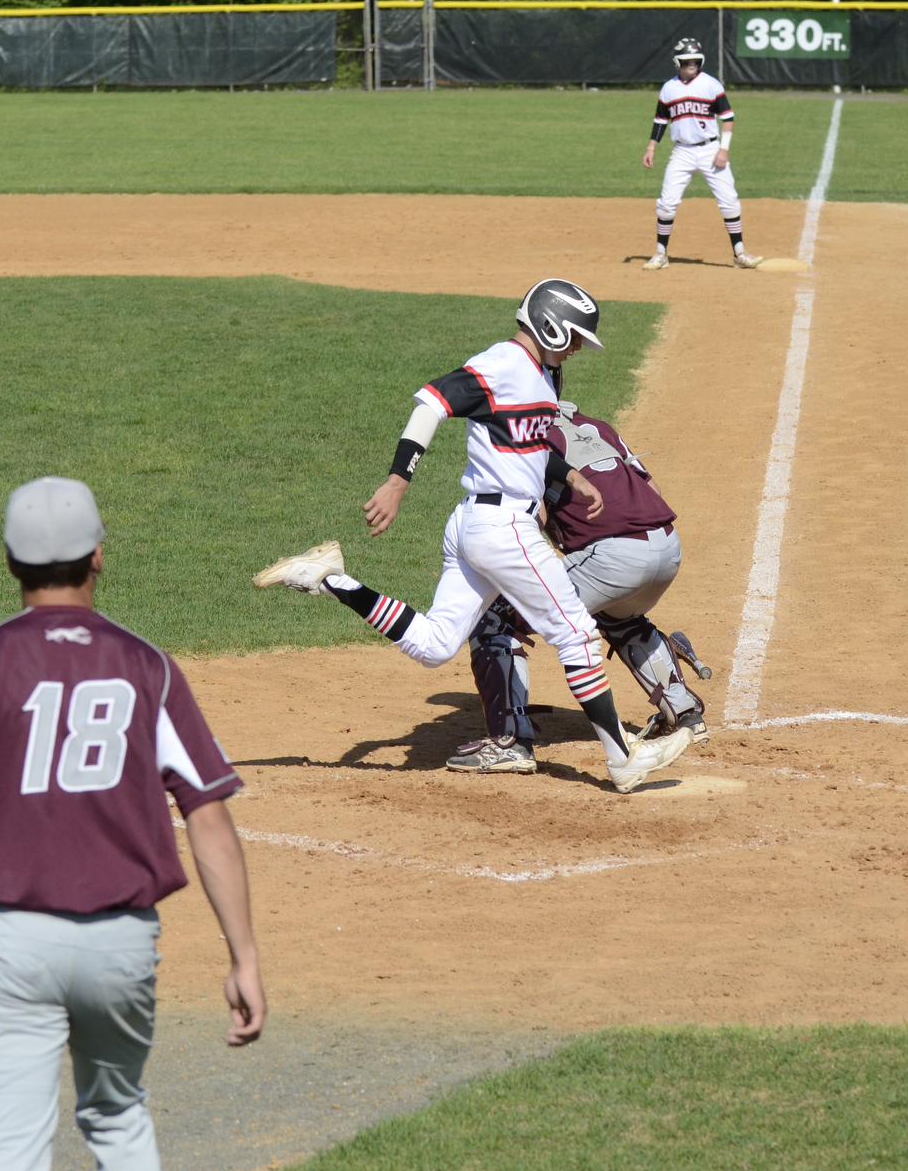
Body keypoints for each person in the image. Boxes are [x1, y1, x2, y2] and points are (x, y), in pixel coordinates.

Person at [0, 476, 265, 1171]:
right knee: (119, 1119)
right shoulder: (148, 665)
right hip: (122, 941)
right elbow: (207, 816)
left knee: (14, 1159)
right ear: (98, 558)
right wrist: (243, 955)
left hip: (11, 943)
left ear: (11, 563)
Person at [254, 278, 695, 794]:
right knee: (575, 633)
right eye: (574, 336)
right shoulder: (502, 364)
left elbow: (523, 438)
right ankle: (622, 759)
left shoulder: (544, 375)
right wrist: (398, 482)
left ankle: (329, 579)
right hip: (503, 526)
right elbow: (430, 405)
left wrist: (568, 475)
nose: (577, 347)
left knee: (437, 644)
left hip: (475, 524)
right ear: (550, 325)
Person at [450, 401, 709, 773]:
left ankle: (509, 742)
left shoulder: (530, 442)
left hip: (612, 557)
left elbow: (531, 517)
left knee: (494, 617)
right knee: (615, 613)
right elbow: (649, 486)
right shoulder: (598, 426)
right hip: (667, 545)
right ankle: (684, 712)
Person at [641, 39, 762, 270]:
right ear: (678, 62)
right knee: (666, 204)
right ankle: (660, 254)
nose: (692, 63)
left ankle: (739, 254)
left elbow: (727, 118)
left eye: (695, 59)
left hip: (710, 150)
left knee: (730, 202)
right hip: (682, 152)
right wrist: (651, 147)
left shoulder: (711, 84)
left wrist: (724, 149)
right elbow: (660, 120)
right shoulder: (669, 88)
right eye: (687, 60)